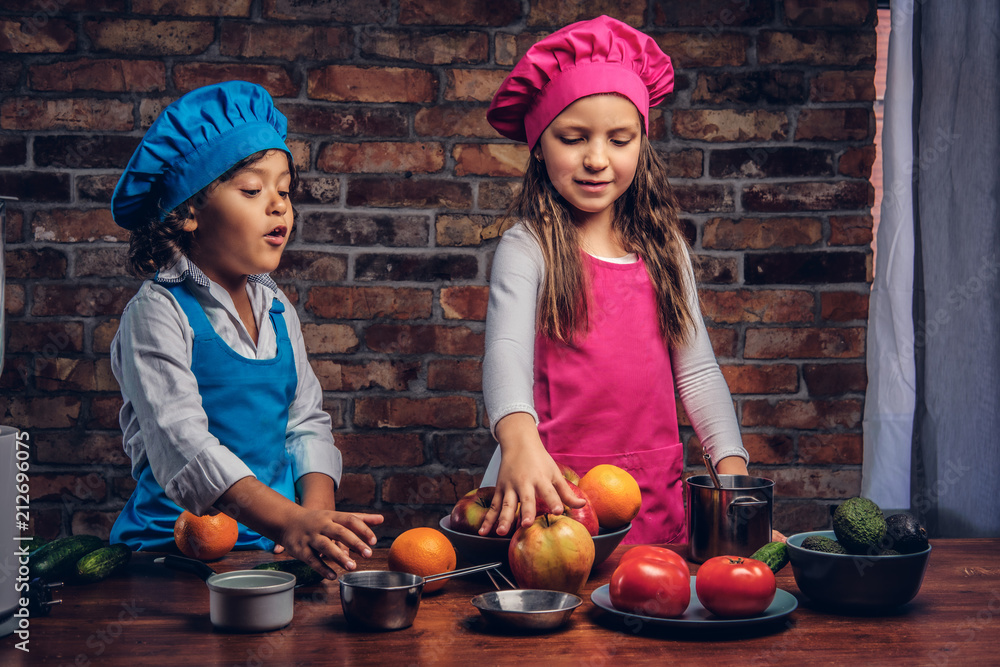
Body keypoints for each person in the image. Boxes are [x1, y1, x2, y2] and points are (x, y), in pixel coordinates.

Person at [479, 16, 752, 545]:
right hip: (553, 498)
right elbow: (505, 354)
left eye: (619, 139)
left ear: (642, 145)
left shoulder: (664, 249)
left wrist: (733, 470)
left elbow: (696, 373)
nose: (597, 159)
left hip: (651, 495)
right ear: (539, 144)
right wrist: (517, 441)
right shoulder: (527, 246)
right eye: (573, 138)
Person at [108, 81, 382, 578]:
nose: (278, 205)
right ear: (189, 212)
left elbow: (305, 423)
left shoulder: (276, 308)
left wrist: (314, 518)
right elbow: (182, 444)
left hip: (275, 549)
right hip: (171, 557)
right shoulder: (156, 313)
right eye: (253, 190)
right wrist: (290, 521)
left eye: (284, 190)